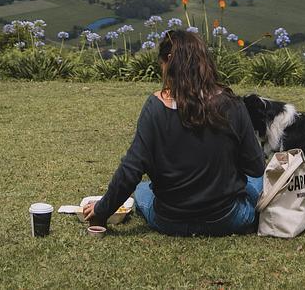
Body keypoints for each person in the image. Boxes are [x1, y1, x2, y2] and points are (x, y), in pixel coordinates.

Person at [82, 29, 266, 236]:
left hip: (170, 219)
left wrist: (101, 210)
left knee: (143, 189)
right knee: (257, 181)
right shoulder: (232, 104)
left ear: (168, 61)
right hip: (226, 219)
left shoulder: (155, 106)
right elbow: (255, 166)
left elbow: (131, 169)